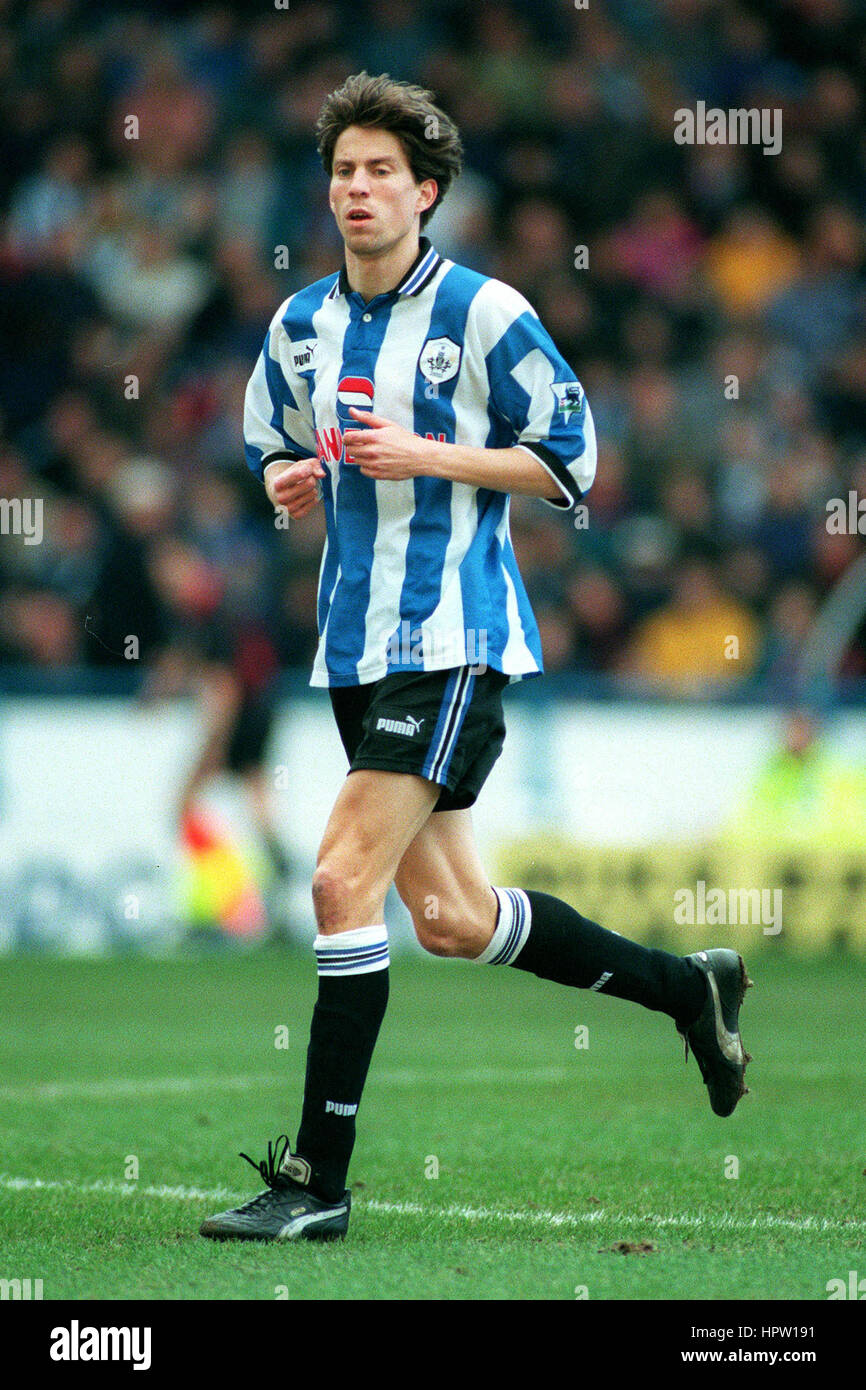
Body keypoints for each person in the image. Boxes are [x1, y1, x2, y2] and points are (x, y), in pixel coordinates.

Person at [200, 72, 752, 1244]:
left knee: (339, 881)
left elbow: (572, 458)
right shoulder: (297, 324)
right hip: (350, 653)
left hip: (451, 640)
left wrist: (433, 454)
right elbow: (266, 441)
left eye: (380, 171)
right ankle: (684, 987)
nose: (357, 187)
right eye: (343, 169)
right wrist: (280, 481)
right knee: (448, 918)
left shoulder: (484, 313)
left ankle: (316, 1180)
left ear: (426, 191)